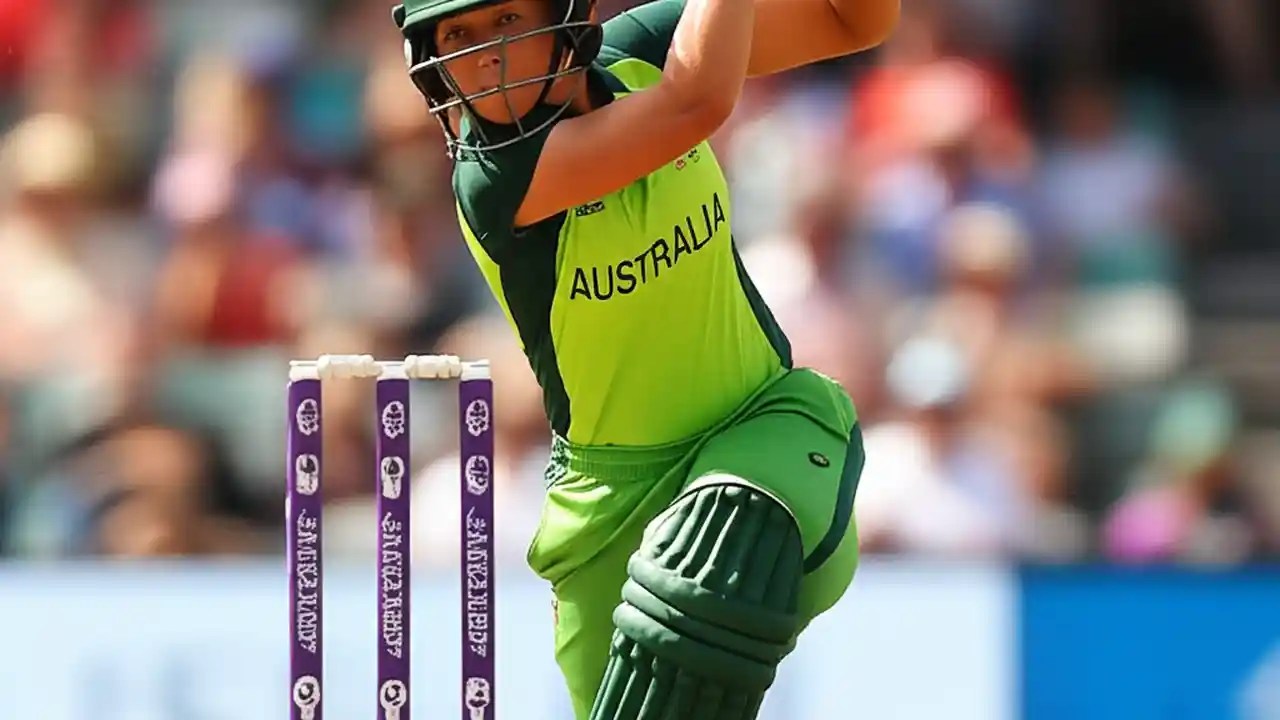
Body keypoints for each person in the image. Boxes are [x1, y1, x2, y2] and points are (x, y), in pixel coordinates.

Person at [390, 0, 898, 717]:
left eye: (505, 20)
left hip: (763, 429)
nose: (482, 56)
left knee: (720, 532)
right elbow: (696, 102)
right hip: (610, 504)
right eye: (457, 36)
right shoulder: (497, 176)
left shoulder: (643, 49)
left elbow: (855, 23)